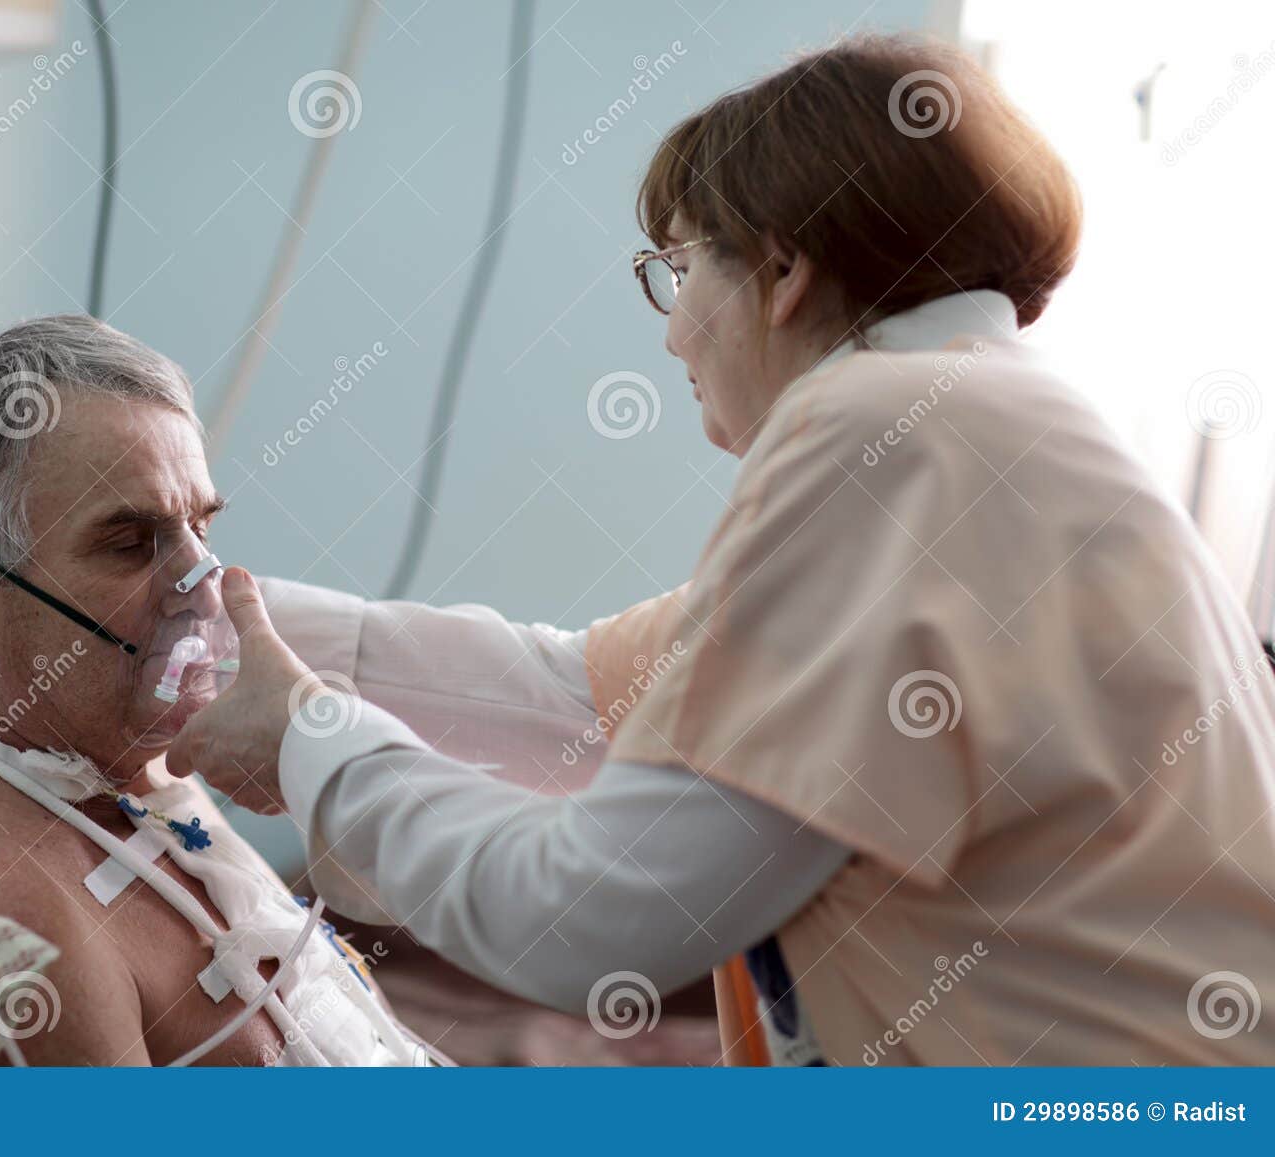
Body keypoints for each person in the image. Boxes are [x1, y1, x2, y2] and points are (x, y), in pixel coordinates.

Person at [167, 34, 1275, 1065]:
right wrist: (183, 617)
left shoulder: (879, 433)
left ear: (783, 271)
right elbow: (571, 689)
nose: (667, 327)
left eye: (678, 268)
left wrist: (312, 744)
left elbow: (589, 921)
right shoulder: (993, 425)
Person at [0, 317, 434, 1066]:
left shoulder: (115, 765)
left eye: (200, 527)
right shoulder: (22, 930)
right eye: (130, 543)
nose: (205, 588)